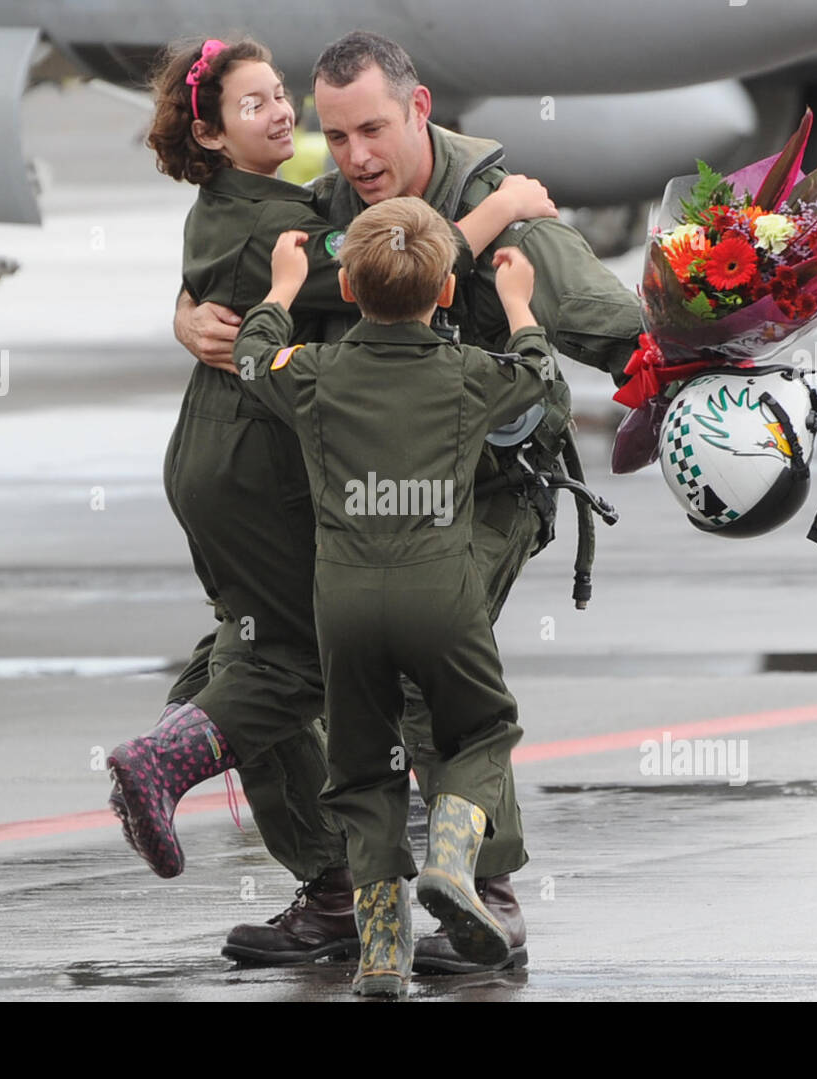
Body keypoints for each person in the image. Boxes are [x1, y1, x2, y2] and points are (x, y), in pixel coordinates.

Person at [175, 31, 643, 973]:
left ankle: (490, 900)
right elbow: (262, 280)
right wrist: (182, 312)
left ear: (419, 109)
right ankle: (337, 892)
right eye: (337, 135)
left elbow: (611, 328)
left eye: (374, 130)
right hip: (361, 496)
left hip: (487, 492)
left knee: (435, 688)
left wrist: (696, 372)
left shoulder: (500, 213)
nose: (356, 156)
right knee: (252, 652)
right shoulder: (331, 208)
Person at [107, 37, 558, 903]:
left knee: (251, 645)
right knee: (309, 663)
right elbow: (392, 266)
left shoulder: (242, 203)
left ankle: (328, 883)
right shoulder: (274, 222)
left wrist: (185, 313)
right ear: (208, 137)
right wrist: (503, 209)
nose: (282, 113)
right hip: (250, 468)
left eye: (280, 95)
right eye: (253, 104)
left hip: (210, 456)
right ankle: (169, 764)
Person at [234, 197, 552, 998]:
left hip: (342, 604)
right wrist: (518, 306)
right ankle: (450, 855)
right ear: (446, 291)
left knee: (363, 773)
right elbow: (538, 380)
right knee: (484, 728)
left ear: (347, 289)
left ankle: (380, 953)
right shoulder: (470, 376)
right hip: (440, 598)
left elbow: (252, 355)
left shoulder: (312, 374)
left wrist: (280, 288)